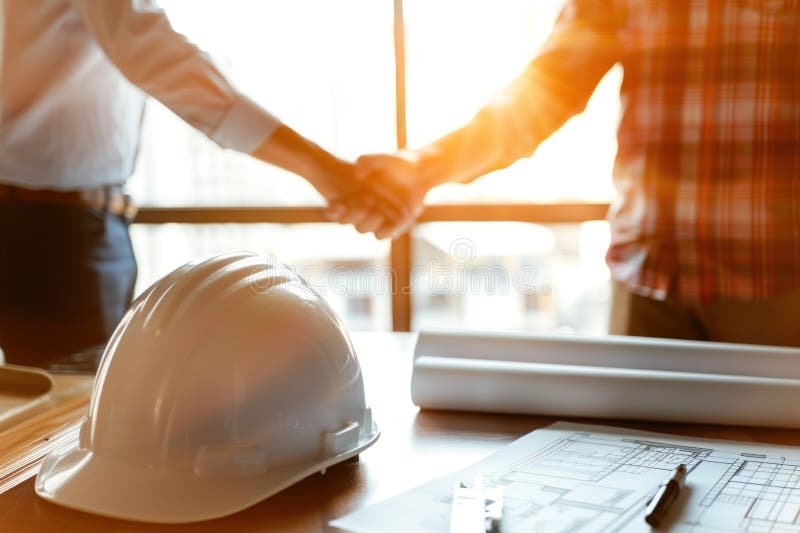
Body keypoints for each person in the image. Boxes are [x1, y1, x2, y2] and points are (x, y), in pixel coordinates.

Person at [332, 1, 800, 346]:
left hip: (780, 283)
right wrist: (425, 165)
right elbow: (545, 94)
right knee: (636, 467)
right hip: (648, 278)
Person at [0, 0, 378, 365]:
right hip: (54, 237)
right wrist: (323, 169)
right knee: (72, 418)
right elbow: (157, 55)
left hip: (56, 227)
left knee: (56, 413)